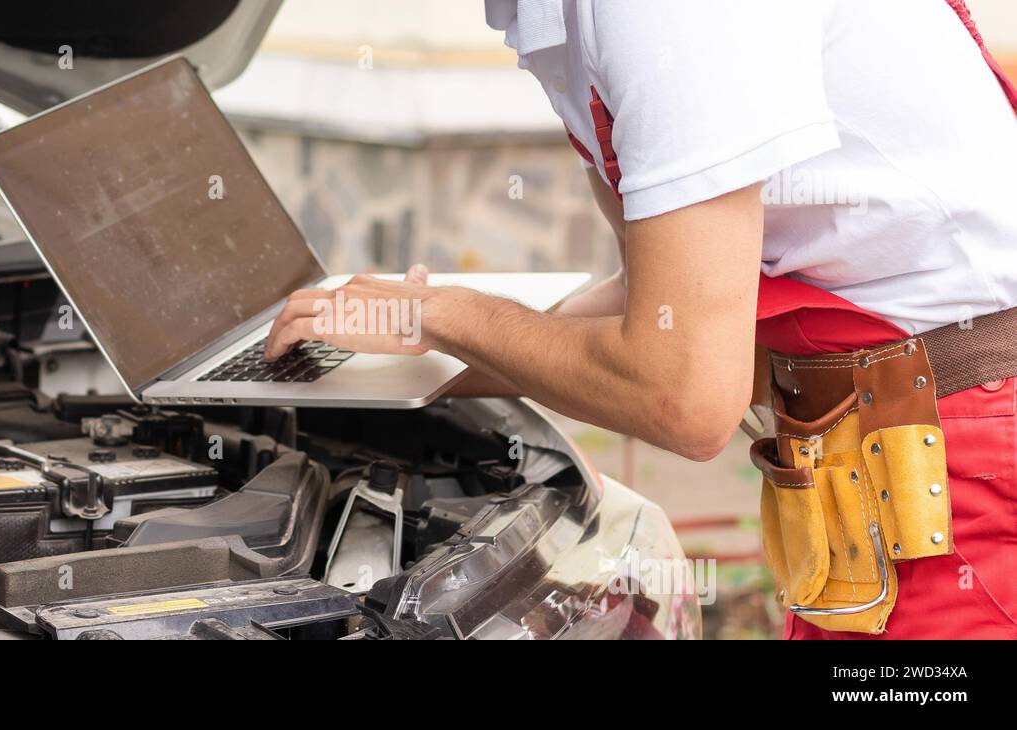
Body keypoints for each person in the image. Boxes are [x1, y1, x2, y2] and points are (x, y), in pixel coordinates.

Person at [265, 0, 1017, 638]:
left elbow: (683, 394)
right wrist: (409, 349)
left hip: (965, 468)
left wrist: (444, 313)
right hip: (876, 479)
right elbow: (661, 302)